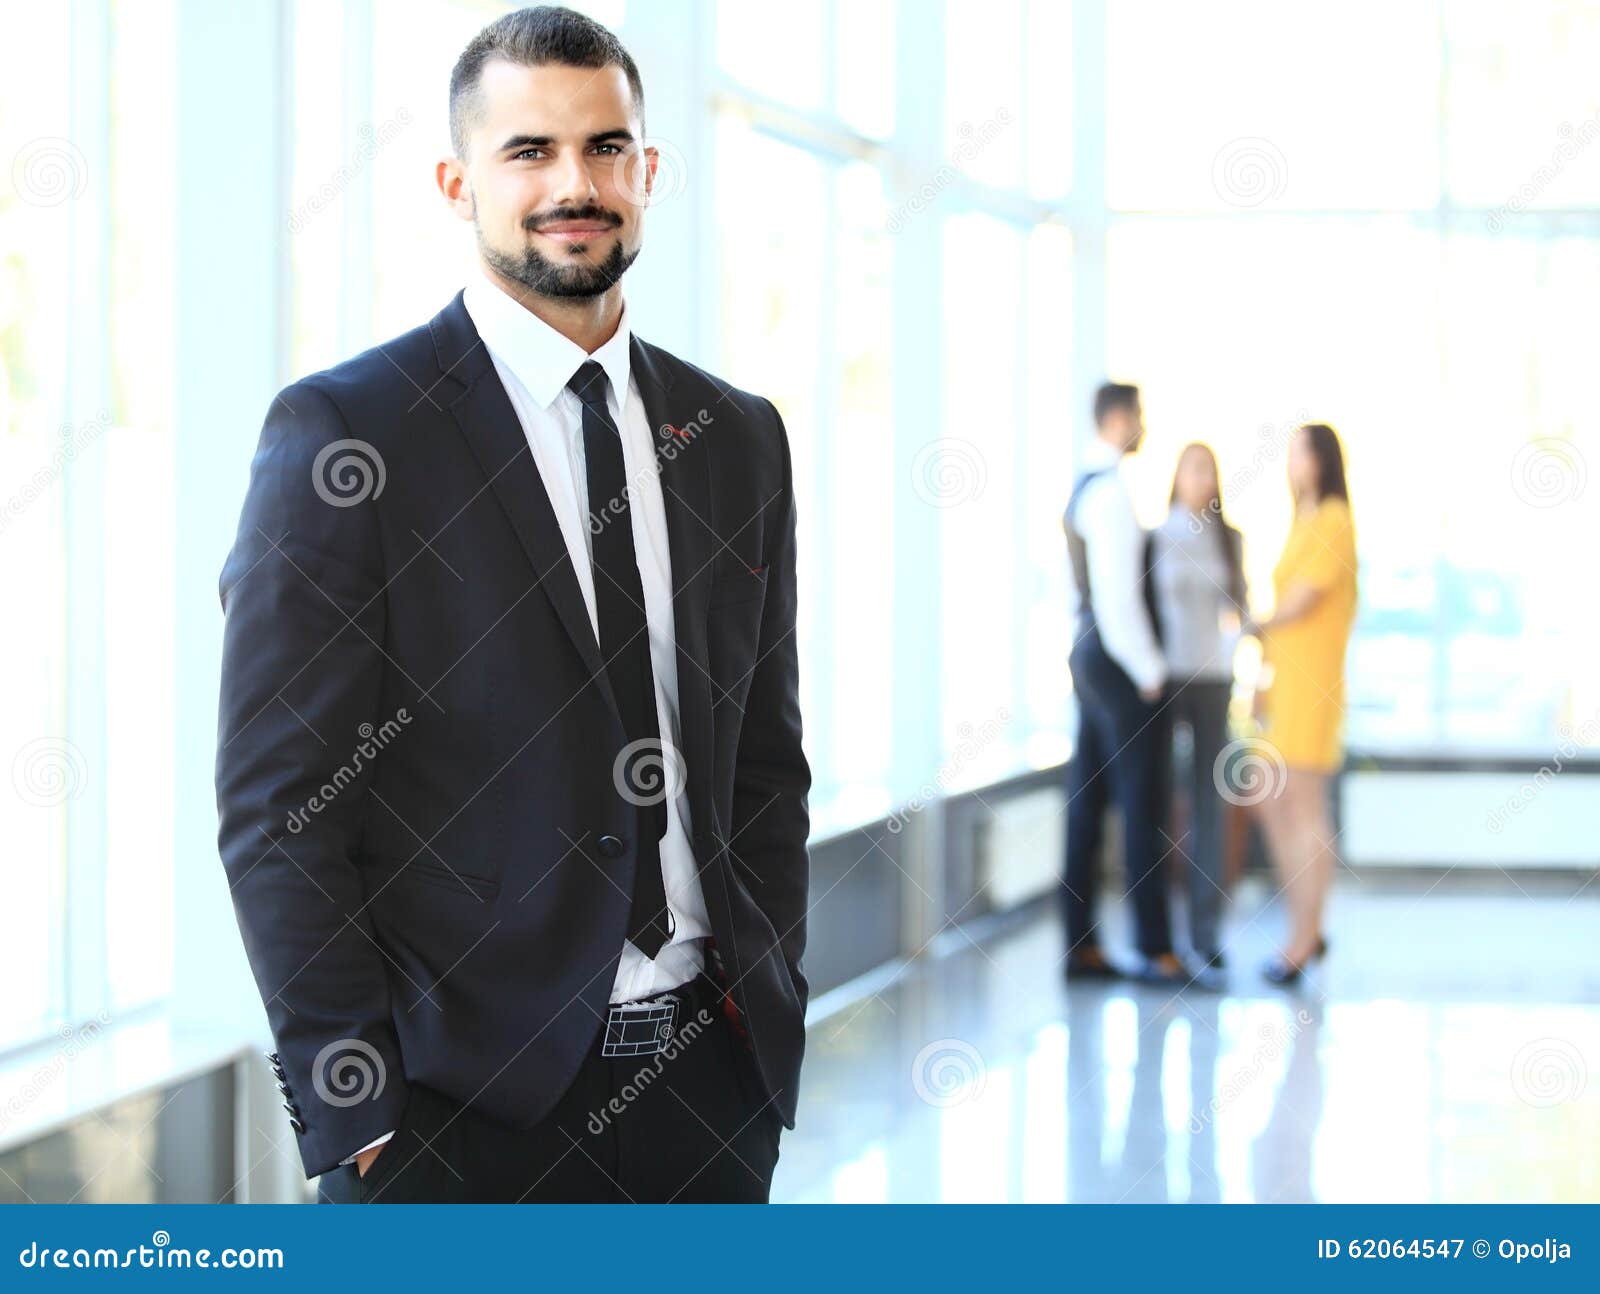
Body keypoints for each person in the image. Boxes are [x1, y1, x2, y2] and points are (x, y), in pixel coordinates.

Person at [215, 6, 810, 1203]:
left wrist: (767, 1017)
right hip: (457, 1119)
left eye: (605, 148)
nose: (573, 183)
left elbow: (764, 762)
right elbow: (279, 806)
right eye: (528, 151)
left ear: (646, 170)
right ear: (456, 181)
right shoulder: (351, 434)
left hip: (708, 1092)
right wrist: (357, 1118)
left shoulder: (735, 437)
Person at [1060, 382, 1184, 986]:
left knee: (1087, 802)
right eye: (1138, 414)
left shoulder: (1086, 484)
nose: (1143, 425)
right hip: (1115, 661)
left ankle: (1081, 947)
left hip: (1088, 656)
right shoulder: (1109, 494)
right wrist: (1151, 671)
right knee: (1142, 804)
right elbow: (1118, 599)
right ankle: (1156, 949)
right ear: (1116, 418)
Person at [1243, 423, 1357, 984]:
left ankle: (1305, 936)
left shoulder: (1334, 519)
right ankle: (1303, 923)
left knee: (1305, 808)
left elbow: (1303, 598)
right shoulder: (1301, 522)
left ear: (1324, 461)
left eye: (1301, 454)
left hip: (1313, 688)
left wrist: (1252, 623)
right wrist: (1262, 673)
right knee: (1270, 801)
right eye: (1288, 454)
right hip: (1284, 685)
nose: (1292, 464)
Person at [1149, 443, 1247, 990]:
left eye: (1209, 469)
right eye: (1192, 468)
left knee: (1212, 805)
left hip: (1213, 681)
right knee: (1164, 803)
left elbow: (1240, 611)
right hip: (1165, 682)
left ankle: (1207, 936)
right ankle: (1165, 939)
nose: (1201, 478)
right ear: (1177, 477)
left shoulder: (1228, 539)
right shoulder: (1157, 537)